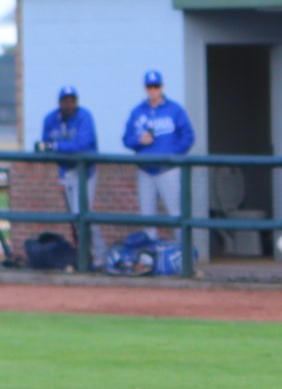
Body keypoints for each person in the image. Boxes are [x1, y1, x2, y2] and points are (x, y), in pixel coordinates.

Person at [122, 70, 195, 240]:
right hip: (145, 171)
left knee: (176, 214)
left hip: (168, 170)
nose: (153, 90)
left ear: (162, 87)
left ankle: (183, 252)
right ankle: (151, 252)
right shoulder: (138, 111)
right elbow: (126, 139)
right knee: (148, 217)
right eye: (150, 87)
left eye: (156, 86)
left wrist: (172, 155)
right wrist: (139, 141)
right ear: (145, 88)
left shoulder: (174, 110)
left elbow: (188, 137)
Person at [40, 85, 107, 262]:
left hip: (86, 172)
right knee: (75, 218)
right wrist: (48, 147)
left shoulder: (84, 116)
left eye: (72, 101)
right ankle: (85, 255)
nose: (69, 104)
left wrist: (56, 146)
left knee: (83, 214)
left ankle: (100, 255)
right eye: (65, 101)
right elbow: (45, 143)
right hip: (66, 171)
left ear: (76, 102)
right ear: (60, 102)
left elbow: (82, 145)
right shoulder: (51, 119)